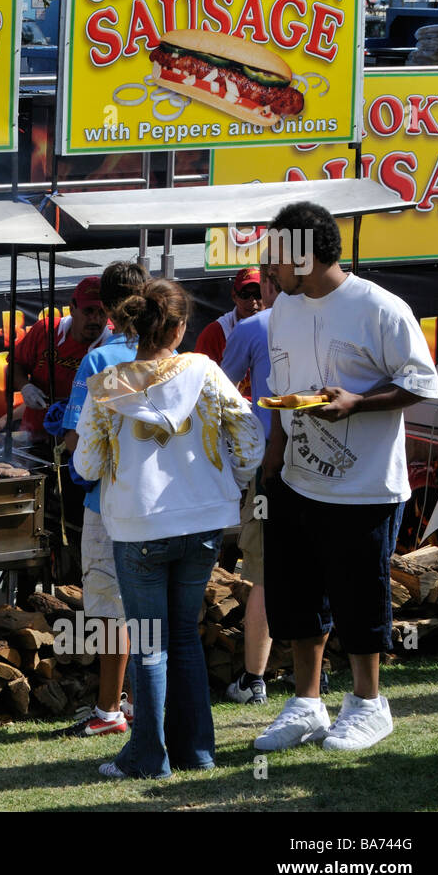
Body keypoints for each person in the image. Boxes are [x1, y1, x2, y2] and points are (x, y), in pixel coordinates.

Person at [254, 202, 438, 753]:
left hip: (363, 486)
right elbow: (283, 387)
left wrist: (358, 403)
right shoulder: (284, 309)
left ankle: (368, 705)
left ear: (305, 257)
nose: (268, 268)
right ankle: (307, 703)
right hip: (294, 479)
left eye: (277, 256)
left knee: (360, 597)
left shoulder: (379, 307)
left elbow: (423, 383)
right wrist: (274, 454)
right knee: (298, 595)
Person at [74, 280, 262, 779]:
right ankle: (195, 751)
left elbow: (87, 465)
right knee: (181, 636)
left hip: (137, 528)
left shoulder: (109, 384)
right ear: (180, 327)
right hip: (202, 523)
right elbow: (249, 439)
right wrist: (230, 483)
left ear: (132, 324)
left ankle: (148, 756)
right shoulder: (205, 370)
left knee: (151, 640)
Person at [55, 261, 148, 737]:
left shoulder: (99, 359)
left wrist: (65, 433)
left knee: (109, 607)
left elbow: (77, 439)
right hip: (156, 503)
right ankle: (132, 703)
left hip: (107, 504)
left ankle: (109, 711)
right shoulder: (170, 352)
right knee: (144, 607)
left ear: (110, 309)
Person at [219, 269, 279, 704]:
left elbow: (218, 389)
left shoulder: (253, 327)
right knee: (311, 567)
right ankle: (314, 672)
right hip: (324, 466)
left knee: (262, 573)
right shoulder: (328, 322)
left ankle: (255, 678)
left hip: (270, 468)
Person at [0, 276, 109, 443]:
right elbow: (15, 365)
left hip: (81, 442)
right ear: (72, 308)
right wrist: (25, 388)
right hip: (34, 434)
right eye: (88, 311)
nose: (95, 319)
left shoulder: (111, 345)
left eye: (102, 312)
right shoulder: (46, 330)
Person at [194, 267, 263, 367]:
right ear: (234, 296)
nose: (252, 301)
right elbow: (200, 376)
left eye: (258, 294)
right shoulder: (214, 334)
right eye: (245, 295)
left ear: (266, 293)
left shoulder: (278, 326)